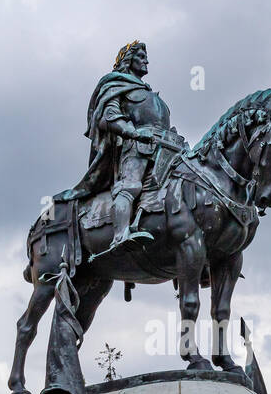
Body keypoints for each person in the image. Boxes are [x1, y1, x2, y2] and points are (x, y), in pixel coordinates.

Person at [57, 40, 184, 254]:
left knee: (188, 183)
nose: (147, 61)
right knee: (130, 187)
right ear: (128, 60)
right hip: (136, 147)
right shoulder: (115, 85)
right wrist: (133, 132)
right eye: (141, 57)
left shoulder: (150, 94)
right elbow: (108, 118)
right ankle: (120, 236)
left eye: (146, 57)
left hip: (167, 148)